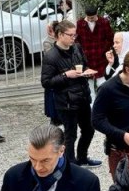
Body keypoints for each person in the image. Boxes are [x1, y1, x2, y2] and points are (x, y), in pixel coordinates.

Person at [40, 19, 102, 167]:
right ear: (60, 35)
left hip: (82, 97)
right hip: (66, 102)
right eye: (71, 35)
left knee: (89, 130)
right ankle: (70, 164)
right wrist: (65, 75)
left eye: (75, 35)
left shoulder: (77, 48)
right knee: (70, 134)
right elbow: (46, 82)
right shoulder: (51, 56)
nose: (74, 38)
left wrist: (87, 72)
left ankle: (82, 158)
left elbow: (84, 65)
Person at [75, 4, 114, 94]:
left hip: (101, 58)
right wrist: (82, 53)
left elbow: (110, 38)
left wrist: (104, 50)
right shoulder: (80, 23)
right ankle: (91, 106)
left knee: (102, 83)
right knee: (89, 86)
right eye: (89, 17)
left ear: (97, 14)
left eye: (93, 17)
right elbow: (77, 40)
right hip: (87, 58)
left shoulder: (104, 22)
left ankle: (103, 104)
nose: (91, 19)